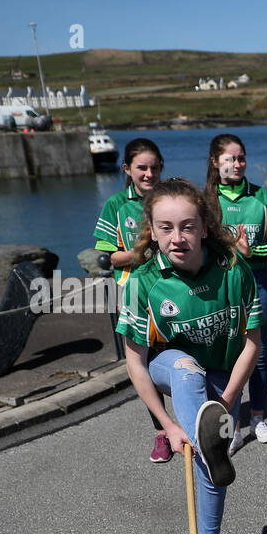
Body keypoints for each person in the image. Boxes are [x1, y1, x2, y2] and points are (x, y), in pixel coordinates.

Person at [116, 178, 263, 534]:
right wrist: (167, 424)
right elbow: (135, 360)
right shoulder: (142, 283)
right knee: (185, 368)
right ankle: (205, 438)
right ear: (151, 229)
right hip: (172, 368)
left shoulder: (234, 268)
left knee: (210, 468)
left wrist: (227, 401)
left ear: (204, 227)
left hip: (224, 379)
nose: (176, 238)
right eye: (165, 227)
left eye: (186, 226)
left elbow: (253, 343)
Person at [205, 133, 267, 453]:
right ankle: (232, 425)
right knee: (228, 356)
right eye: (230, 159)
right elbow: (199, 246)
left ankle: (259, 417)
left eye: (241, 158)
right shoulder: (207, 201)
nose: (237, 164)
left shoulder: (261, 197)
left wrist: (250, 251)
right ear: (215, 163)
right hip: (223, 287)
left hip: (260, 283)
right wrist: (227, 248)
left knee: (259, 354)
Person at [94, 138, 169, 462]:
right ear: (127, 169)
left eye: (154, 167)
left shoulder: (171, 198)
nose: (149, 173)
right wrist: (142, 252)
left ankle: (198, 422)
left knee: (182, 357)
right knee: (146, 363)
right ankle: (163, 432)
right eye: (142, 167)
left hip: (171, 288)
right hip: (134, 292)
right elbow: (110, 257)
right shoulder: (115, 205)